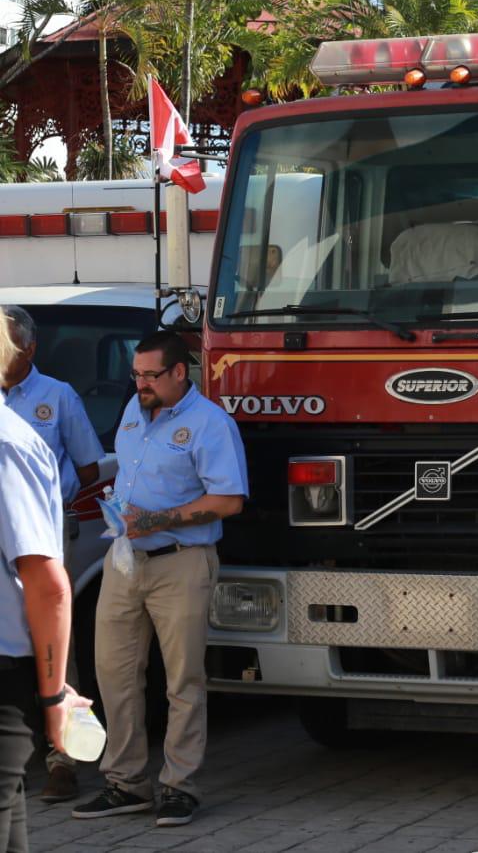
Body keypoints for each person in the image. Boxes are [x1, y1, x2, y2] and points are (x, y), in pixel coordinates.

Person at [72, 331, 248, 829]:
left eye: (151, 375)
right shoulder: (134, 408)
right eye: (136, 374)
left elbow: (228, 501)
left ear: (179, 373)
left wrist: (153, 521)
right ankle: (125, 782)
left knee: (183, 680)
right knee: (114, 672)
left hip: (181, 561)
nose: (141, 384)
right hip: (125, 561)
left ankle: (179, 787)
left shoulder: (210, 424)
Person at [0, 306, 105, 803]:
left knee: (50, 634)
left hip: (45, 535)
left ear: (31, 349)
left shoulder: (57, 397)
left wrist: (46, 499)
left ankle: (63, 758)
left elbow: (89, 469)